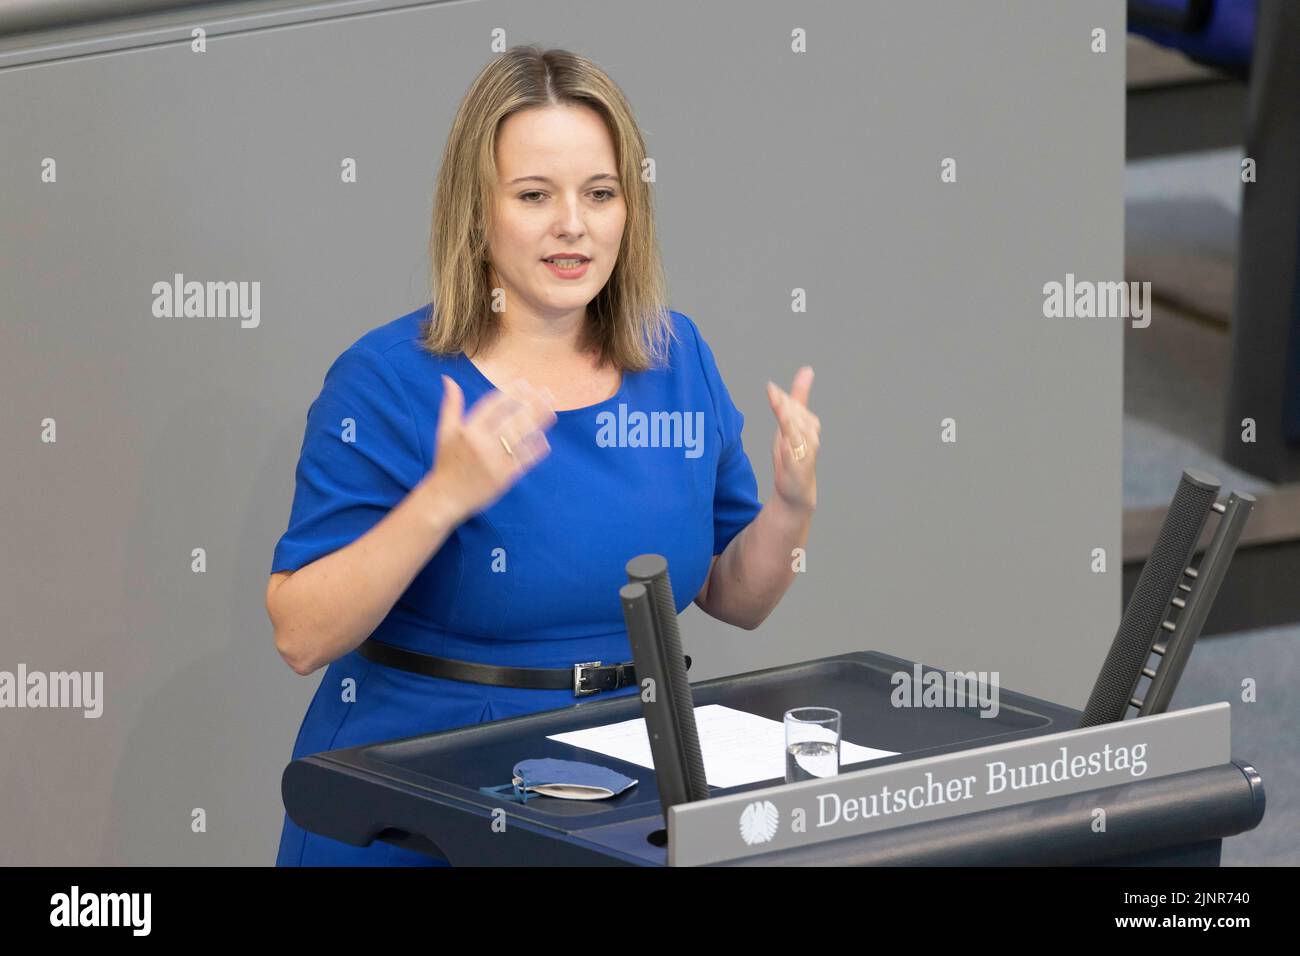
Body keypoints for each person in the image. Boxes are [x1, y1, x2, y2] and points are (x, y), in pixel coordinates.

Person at [266, 45, 821, 866]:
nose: (574, 223)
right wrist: (442, 499)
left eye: (600, 194)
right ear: (476, 213)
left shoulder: (676, 357)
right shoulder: (385, 381)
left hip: (622, 794)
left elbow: (733, 594)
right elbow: (301, 635)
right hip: (418, 805)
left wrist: (790, 507)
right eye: (534, 196)